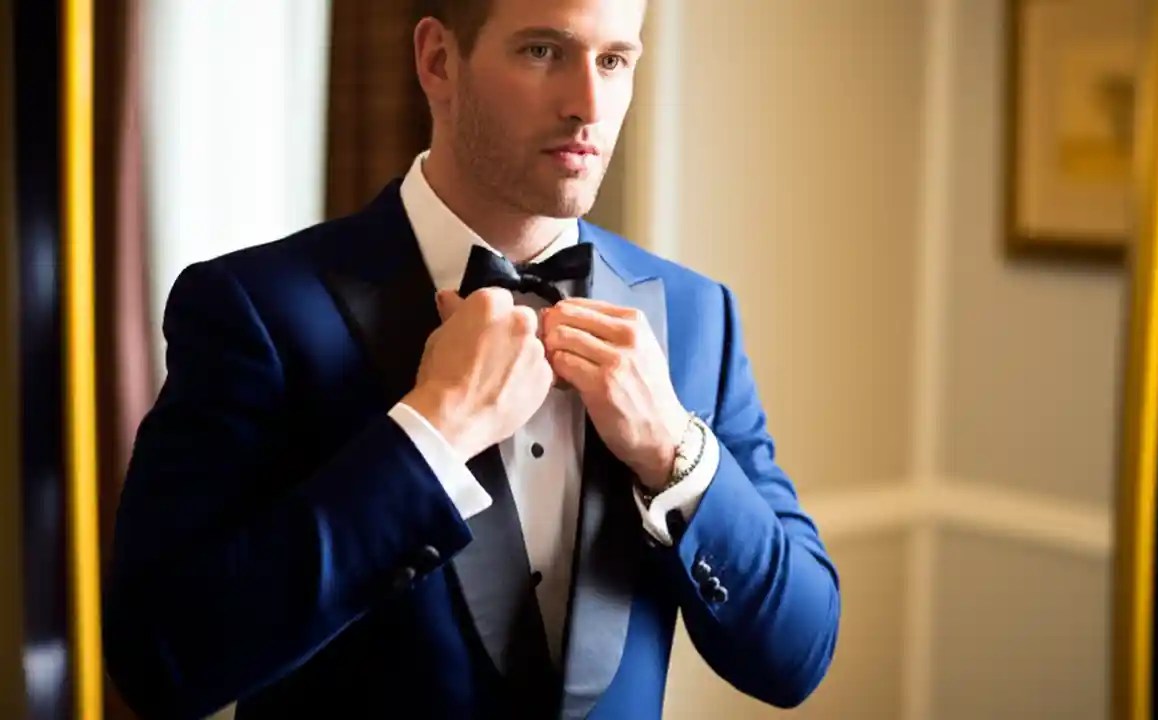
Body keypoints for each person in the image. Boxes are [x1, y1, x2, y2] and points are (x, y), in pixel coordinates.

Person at [102, 0, 840, 717]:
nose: (588, 103)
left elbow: (797, 656)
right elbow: (161, 662)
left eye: (614, 60)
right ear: (438, 61)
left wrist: (674, 452)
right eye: (543, 51)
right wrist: (431, 434)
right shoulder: (254, 309)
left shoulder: (695, 315)